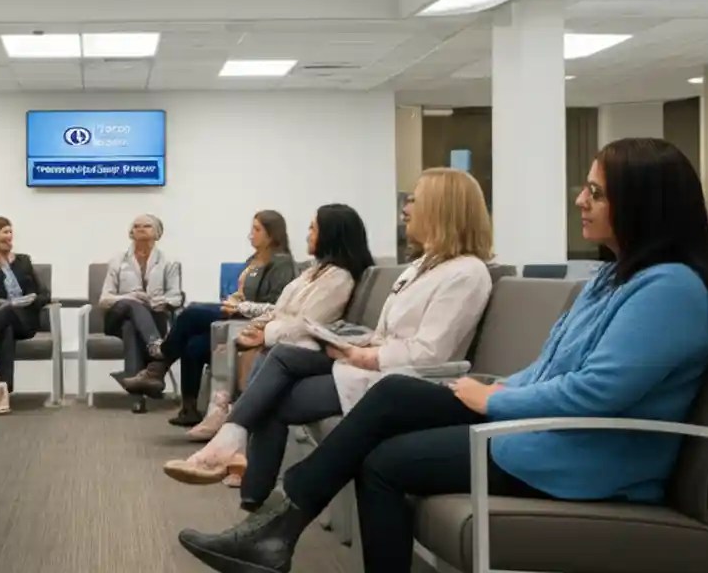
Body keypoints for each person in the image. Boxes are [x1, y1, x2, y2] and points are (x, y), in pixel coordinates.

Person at [178, 138, 708, 573]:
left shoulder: (670, 290)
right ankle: (276, 531)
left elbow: (600, 393)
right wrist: (505, 391)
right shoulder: (612, 277)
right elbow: (553, 365)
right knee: (390, 397)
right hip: (546, 427)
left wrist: (497, 400)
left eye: (596, 192)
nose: (581, 200)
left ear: (644, 205)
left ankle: (276, 528)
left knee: (383, 461)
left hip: (585, 458)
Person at [169, 178, 492, 510]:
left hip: (403, 378)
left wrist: (361, 354)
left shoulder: (467, 273)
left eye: (415, 200)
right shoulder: (418, 268)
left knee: (273, 395)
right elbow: (385, 332)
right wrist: (352, 343)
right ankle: (235, 456)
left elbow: (428, 353)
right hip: (374, 360)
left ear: (442, 208)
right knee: (281, 356)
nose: (406, 209)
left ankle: (240, 469)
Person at [167, 204, 375, 469]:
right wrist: (259, 326)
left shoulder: (338, 278)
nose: (307, 234)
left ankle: (232, 436)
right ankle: (235, 442)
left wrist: (262, 333)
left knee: (261, 349)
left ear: (331, 234)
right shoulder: (313, 272)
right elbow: (279, 310)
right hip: (285, 335)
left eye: (313, 228)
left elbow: (307, 323)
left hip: (311, 345)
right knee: (201, 337)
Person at [120, 210, 298, 426]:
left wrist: (238, 306)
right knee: (193, 345)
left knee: (192, 313)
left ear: (272, 234)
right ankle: (189, 409)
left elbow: (275, 307)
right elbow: (243, 292)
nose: (250, 235)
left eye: (257, 229)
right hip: (238, 314)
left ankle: (159, 364)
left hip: (252, 322)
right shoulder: (254, 260)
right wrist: (235, 301)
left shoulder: (281, 263)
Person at [98, 214, 184, 413]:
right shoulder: (118, 260)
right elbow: (105, 299)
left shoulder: (169, 262)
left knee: (132, 329)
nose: (141, 229)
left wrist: (156, 302)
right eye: (136, 226)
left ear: (157, 233)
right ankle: (156, 349)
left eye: (146, 226)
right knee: (131, 306)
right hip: (116, 318)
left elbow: (176, 298)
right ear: (131, 232)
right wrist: (131, 297)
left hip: (152, 317)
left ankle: (137, 397)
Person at [0, 216, 49, 411]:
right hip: (1, 320)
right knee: (5, 329)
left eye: (11, 232)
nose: (10, 236)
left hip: (26, 320)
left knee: (10, 313)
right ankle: (3, 393)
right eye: (5, 232)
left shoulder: (23, 261)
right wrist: (6, 304)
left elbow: (44, 293)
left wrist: (31, 300)